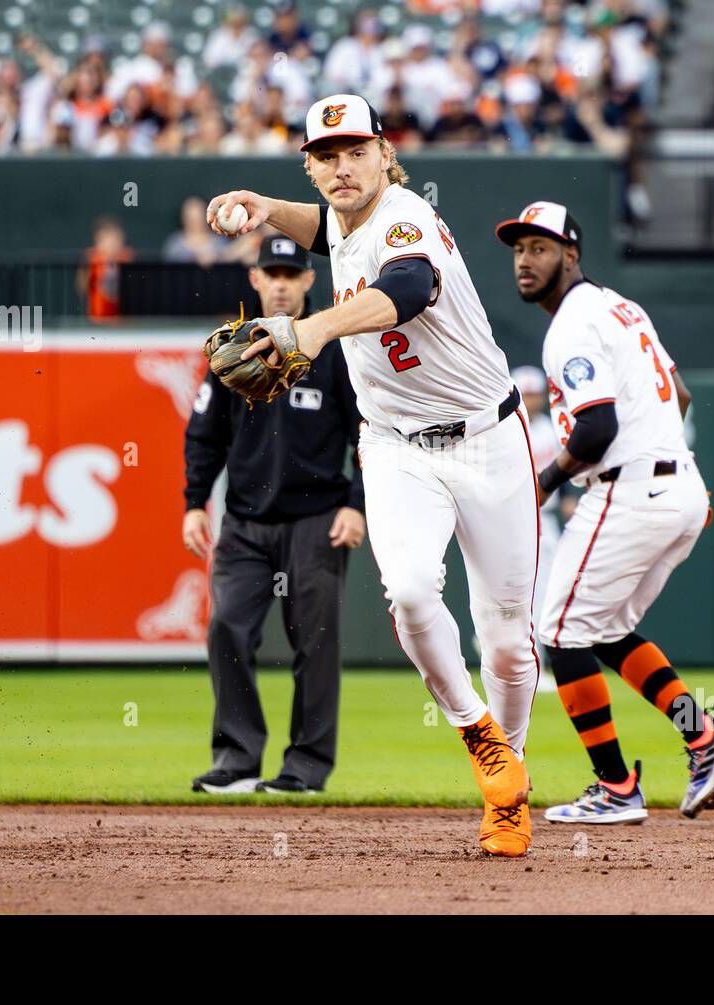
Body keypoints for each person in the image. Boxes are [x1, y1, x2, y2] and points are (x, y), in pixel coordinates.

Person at [206, 93, 540, 857]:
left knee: (509, 644)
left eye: (356, 150)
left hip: (489, 439)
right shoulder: (344, 220)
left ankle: (511, 774)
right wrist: (263, 208)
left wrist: (313, 326)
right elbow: (326, 228)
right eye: (325, 156)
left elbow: (411, 287)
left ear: (386, 155)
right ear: (311, 167)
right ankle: (479, 738)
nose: (341, 166)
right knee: (414, 592)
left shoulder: (405, 217)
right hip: (395, 447)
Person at [496, 199, 714, 825]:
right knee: (602, 632)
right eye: (520, 250)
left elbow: (597, 428)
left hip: (634, 489)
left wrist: (546, 482)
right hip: (677, 488)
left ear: (571, 254)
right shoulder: (621, 307)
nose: (526, 261)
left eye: (541, 248)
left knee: (557, 631)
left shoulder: (572, 326)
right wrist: (665, 464)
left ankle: (614, 788)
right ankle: (705, 739)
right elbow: (681, 395)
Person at [185, 236, 366, 795]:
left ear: (311, 282)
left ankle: (306, 767)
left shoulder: (333, 349)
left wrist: (357, 505)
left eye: (293, 273)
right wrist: (194, 502)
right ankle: (237, 759)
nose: (282, 282)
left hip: (316, 521)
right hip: (244, 523)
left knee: (315, 642)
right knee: (226, 628)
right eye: (272, 272)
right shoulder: (232, 348)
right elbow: (203, 435)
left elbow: (371, 433)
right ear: (256, 279)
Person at [511, 365, 561, 693]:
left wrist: (568, 496)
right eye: (525, 393)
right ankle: (522, 659)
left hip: (549, 518)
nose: (531, 399)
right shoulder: (509, 426)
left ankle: (535, 664)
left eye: (535, 393)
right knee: (521, 590)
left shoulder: (551, 428)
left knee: (547, 592)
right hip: (515, 516)